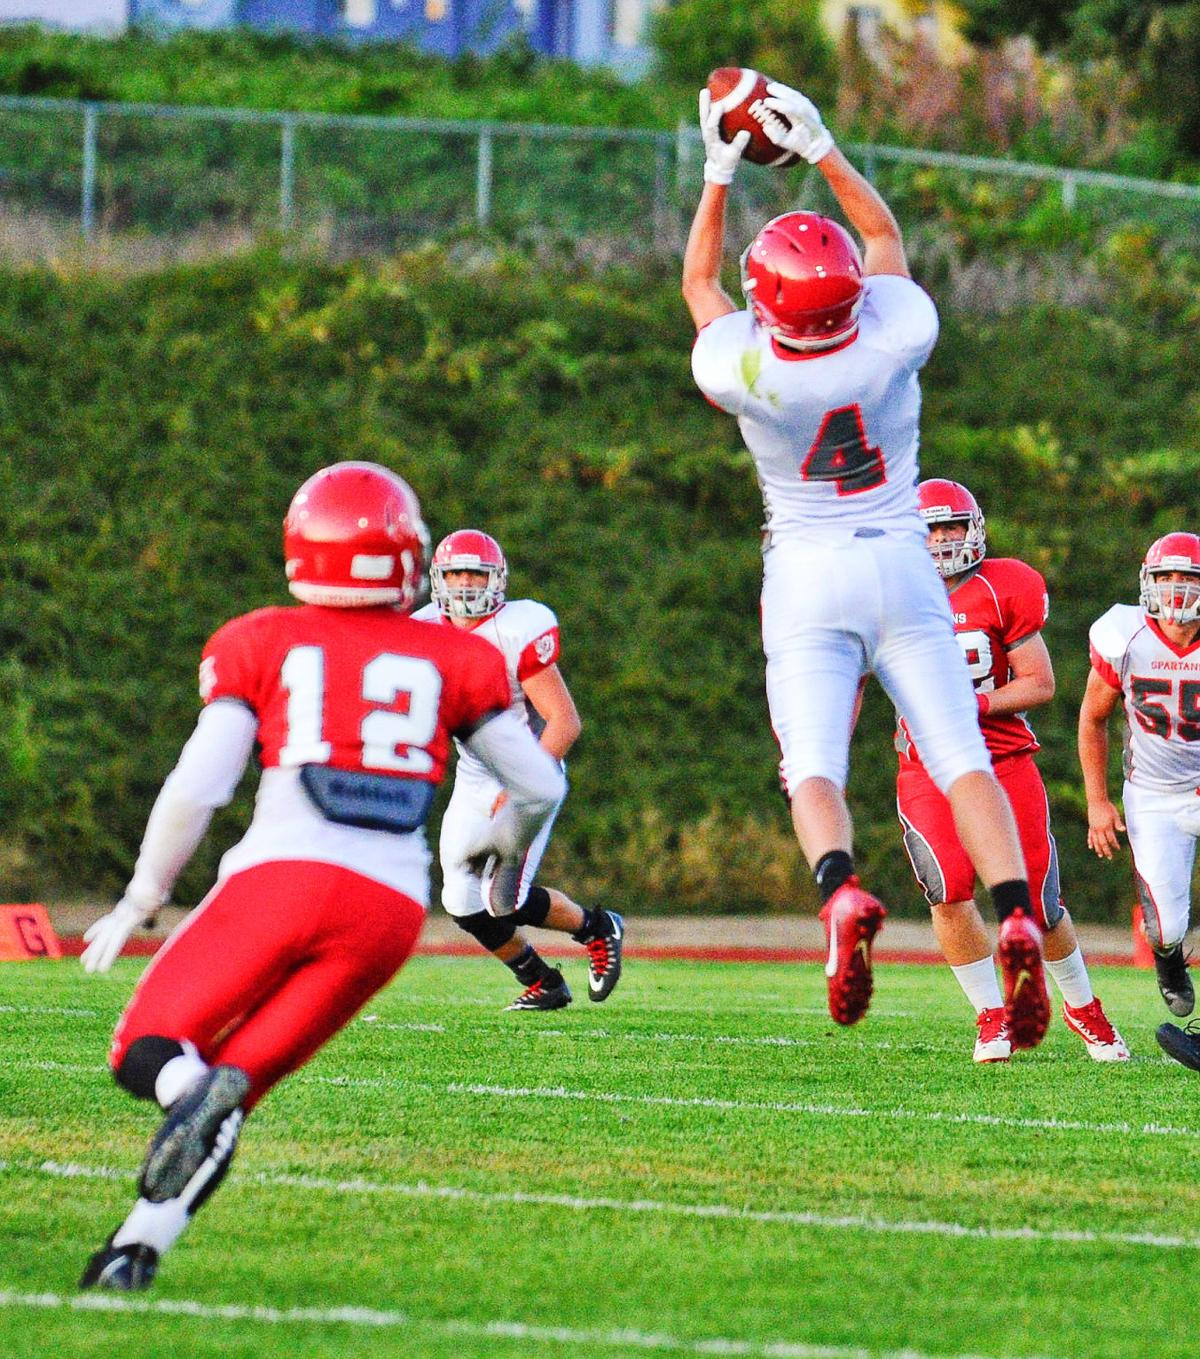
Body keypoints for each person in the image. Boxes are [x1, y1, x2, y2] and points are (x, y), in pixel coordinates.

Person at [76, 461, 566, 1292]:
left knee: (150, 1052)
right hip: (385, 912)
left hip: (284, 876)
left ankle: (185, 1098)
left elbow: (200, 782)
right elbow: (542, 782)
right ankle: (133, 1250)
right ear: (410, 556)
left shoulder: (259, 638)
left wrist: (142, 895)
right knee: (233, 1092)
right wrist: (504, 850)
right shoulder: (455, 655)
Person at [682, 77, 1046, 1039]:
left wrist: (720, 171)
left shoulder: (746, 369)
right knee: (960, 751)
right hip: (901, 556)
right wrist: (825, 152)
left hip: (804, 567)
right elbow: (884, 244)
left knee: (813, 764)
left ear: (771, 311)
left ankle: (841, 891)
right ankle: (1014, 906)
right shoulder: (894, 336)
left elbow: (698, 289)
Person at [897, 479, 1127, 1061]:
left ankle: (1083, 1008)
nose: (945, 539)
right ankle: (992, 1017)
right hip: (926, 764)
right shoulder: (889, 593)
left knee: (1039, 902)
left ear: (975, 528)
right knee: (947, 890)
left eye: (954, 526)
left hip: (1001, 757)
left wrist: (969, 705)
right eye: (933, 528)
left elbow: (1040, 683)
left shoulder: (1005, 585)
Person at [412, 529, 623, 1011]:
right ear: (438, 580)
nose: (465, 584)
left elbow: (565, 722)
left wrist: (524, 783)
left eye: (475, 573)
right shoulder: (423, 630)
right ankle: (543, 981)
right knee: (461, 900)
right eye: (455, 573)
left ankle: (598, 927)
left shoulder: (517, 628)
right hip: (474, 777)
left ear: (497, 579)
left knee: (504, 899)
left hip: (529, 774)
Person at [1079, 532, 1200, 1044]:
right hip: (1150, 792)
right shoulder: (1122, 634)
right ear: (1146, 583)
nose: (1175, 589)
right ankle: (1169, 959)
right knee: (1165, 927)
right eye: (1165, 577)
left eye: (1187, 578)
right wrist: (1097, 802)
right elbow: (1092, 719)